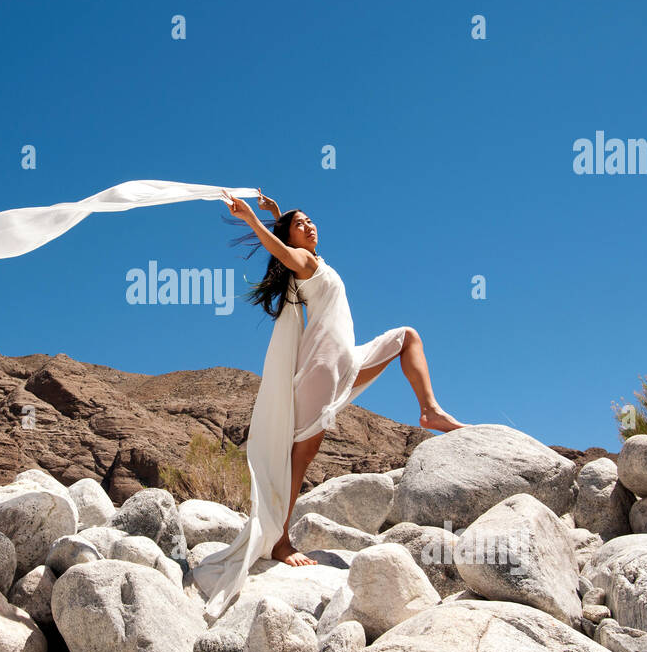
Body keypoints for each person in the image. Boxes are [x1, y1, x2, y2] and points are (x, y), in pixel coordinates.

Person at [189, 188, 468, 617]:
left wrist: (279, 213)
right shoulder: (299, 261)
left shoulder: (313, 261)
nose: (311, 226)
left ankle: (429, 409)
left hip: (346, 359)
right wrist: (252, 220)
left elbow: (289, 242)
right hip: (322, 366)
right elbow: (283, 249)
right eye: (303, 224)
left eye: (311, 220)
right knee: (301, 456)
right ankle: (280, 540)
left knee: (407, 337)